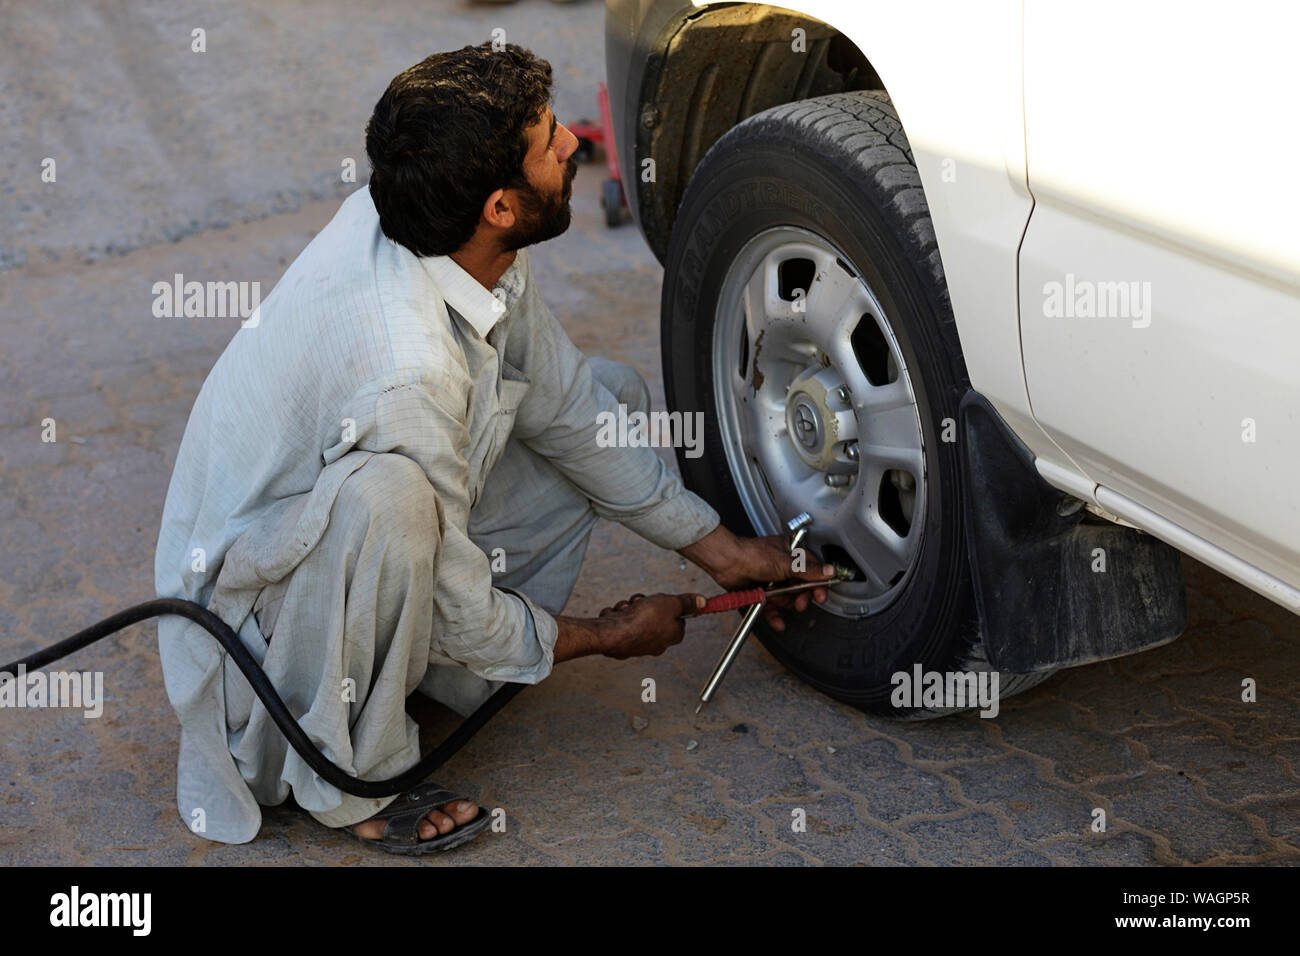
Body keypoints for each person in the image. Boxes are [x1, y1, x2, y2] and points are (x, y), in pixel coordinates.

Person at [153, 42, 830, 854]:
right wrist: (601, 637)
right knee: (392, 502)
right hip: (253, 638)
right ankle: (343, 777)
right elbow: (447, 582)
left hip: (340, 542)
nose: (575, 144)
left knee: (609, 396)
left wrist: (719, 553)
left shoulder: (450, 230)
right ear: (502, 207)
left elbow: (569, 411)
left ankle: (440, 669)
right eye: (550, 143)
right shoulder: (407, 369)